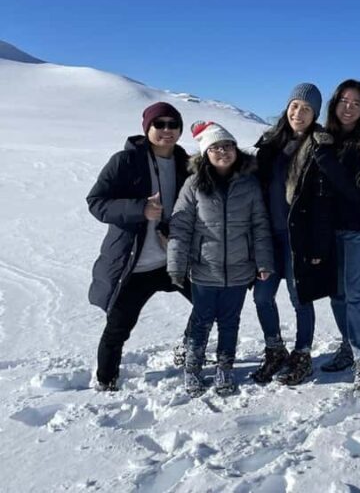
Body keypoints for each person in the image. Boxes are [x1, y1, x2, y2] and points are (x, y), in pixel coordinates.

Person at [87, 101, 193, 391]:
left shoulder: (187, 164)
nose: (167, 130)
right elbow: (96, 203)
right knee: (118, 328)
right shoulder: (125, 161)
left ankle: (188, 347)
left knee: (210, 305)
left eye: (173, 125)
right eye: (160, 124)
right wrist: (139, 209)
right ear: (147, 128)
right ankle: (106, 381)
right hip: (134, 264)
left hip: (173, 260)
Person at [167, 121, 274, 397]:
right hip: (204, 268)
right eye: (215, 147)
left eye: (227, 146)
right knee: (201, 320)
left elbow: (260, 226)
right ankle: (193, 367)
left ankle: (225, 366)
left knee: (230, 321)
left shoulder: (249, 184)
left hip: (239, 269)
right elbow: (181, 226)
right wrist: (177, 265)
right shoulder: (193, 185)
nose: (223, 152)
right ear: (205, 154)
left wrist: (263, 262)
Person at [251, 83, 337, 386]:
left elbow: (325, 203)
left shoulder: (321, 146)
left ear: (315, 114)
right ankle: (274, 348)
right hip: (267, 236)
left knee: (300, 298)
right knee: (262, 296)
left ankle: (302, 354)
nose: (298, 113)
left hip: (298, 238)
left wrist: (319, 244)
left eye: (307, 108)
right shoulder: (269, 144)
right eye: (295, 106)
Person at [314, 79, 360, 391]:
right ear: (334, 104)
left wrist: (326, 158)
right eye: (344, 100)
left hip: (358, 230)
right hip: (329, 230)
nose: (349, 107)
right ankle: (348, 344)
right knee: (337, 294)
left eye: (356, 102)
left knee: (356, 296)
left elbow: (354, 192)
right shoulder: (323, 139)